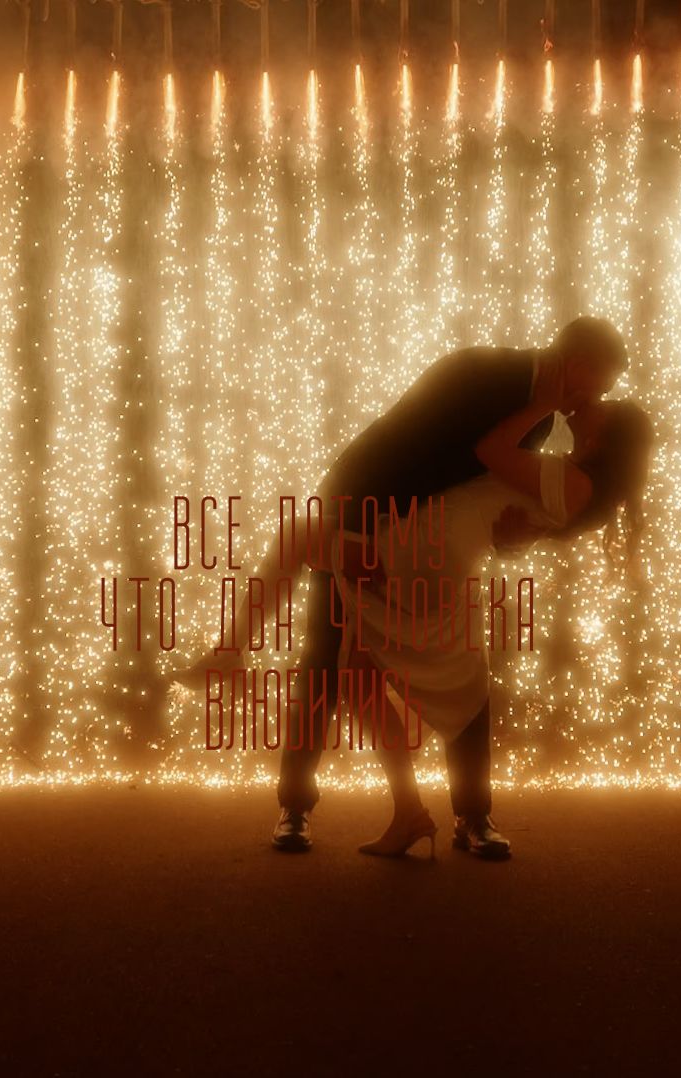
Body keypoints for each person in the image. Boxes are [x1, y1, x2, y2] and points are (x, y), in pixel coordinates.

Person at [269, 316, 632, 857]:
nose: (594, 399)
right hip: (360, 515)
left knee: (465, 670)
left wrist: (511, 539)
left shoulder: (542, 417)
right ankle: (295, 807)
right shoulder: (476, 372)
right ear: (577, 363)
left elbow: (497, 497)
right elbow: (393, 448)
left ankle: (473, 816)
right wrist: (362, 539)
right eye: (599, 383)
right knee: (326, 658)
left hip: (430, 551)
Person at [346, 396, 650, 858]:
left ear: (602, 438)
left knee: (374, 670)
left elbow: (493, 452)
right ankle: (441, 814)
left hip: (424, 555)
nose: (587, 407)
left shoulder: (572, 481)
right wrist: (512, 542)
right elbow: (517, 523)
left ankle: (437, 812)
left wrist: (548, 402)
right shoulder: (575, 482)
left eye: (600, 409)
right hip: (442, 560)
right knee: (391, 676)